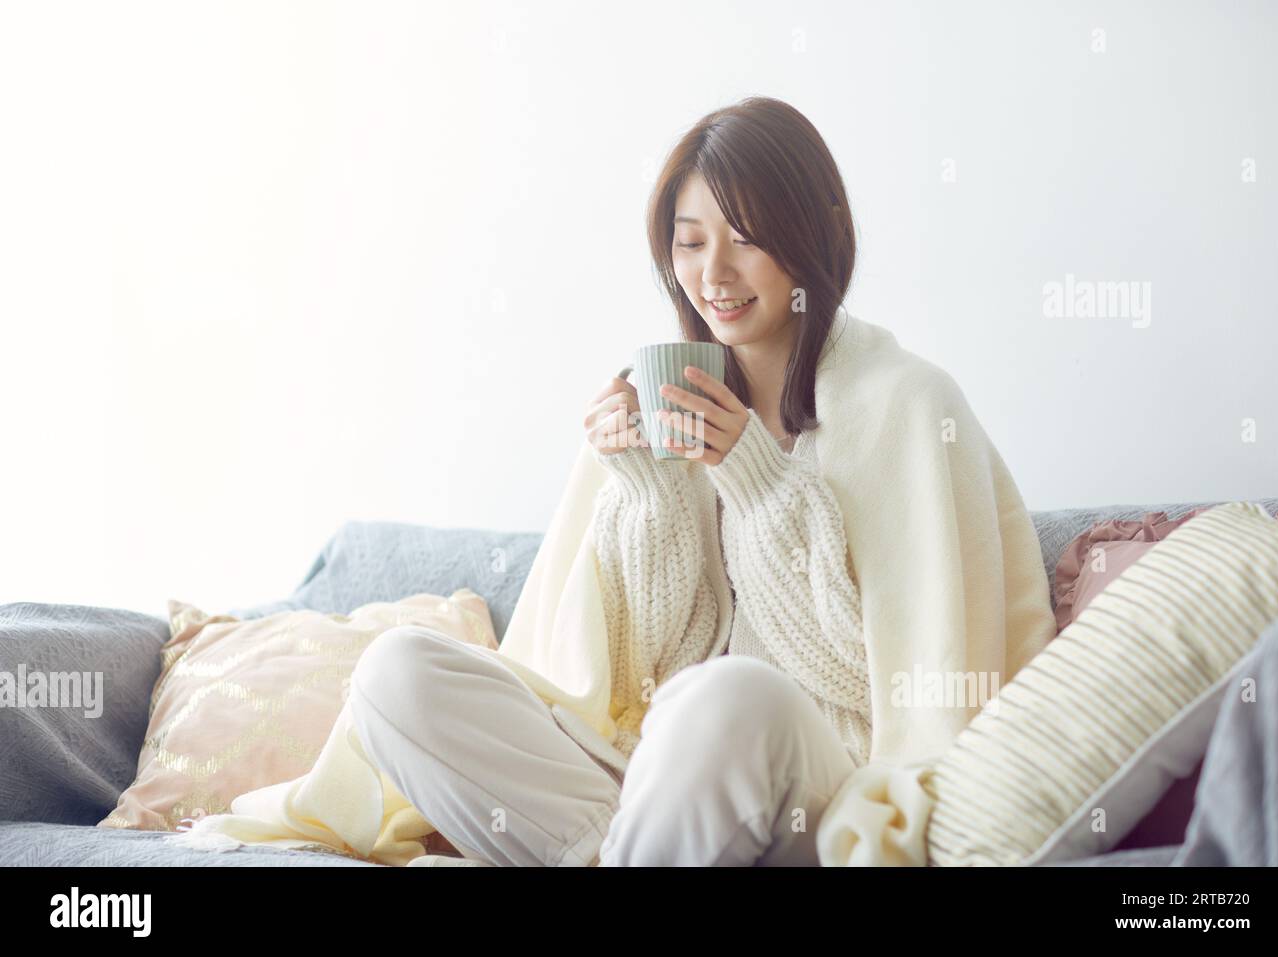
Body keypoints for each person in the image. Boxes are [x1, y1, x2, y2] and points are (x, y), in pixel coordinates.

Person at [348, 96, 1049, 867]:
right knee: (394, 674)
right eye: (690, 244)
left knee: (729, 698)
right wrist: (646, 493)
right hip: (653, 790)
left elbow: (889, 687)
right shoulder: (661, 397)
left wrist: (758, 484)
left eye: (745, 241)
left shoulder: (910, 404)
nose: (712, 275)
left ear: (811, 238)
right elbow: (625, 686)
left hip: (819, 792)